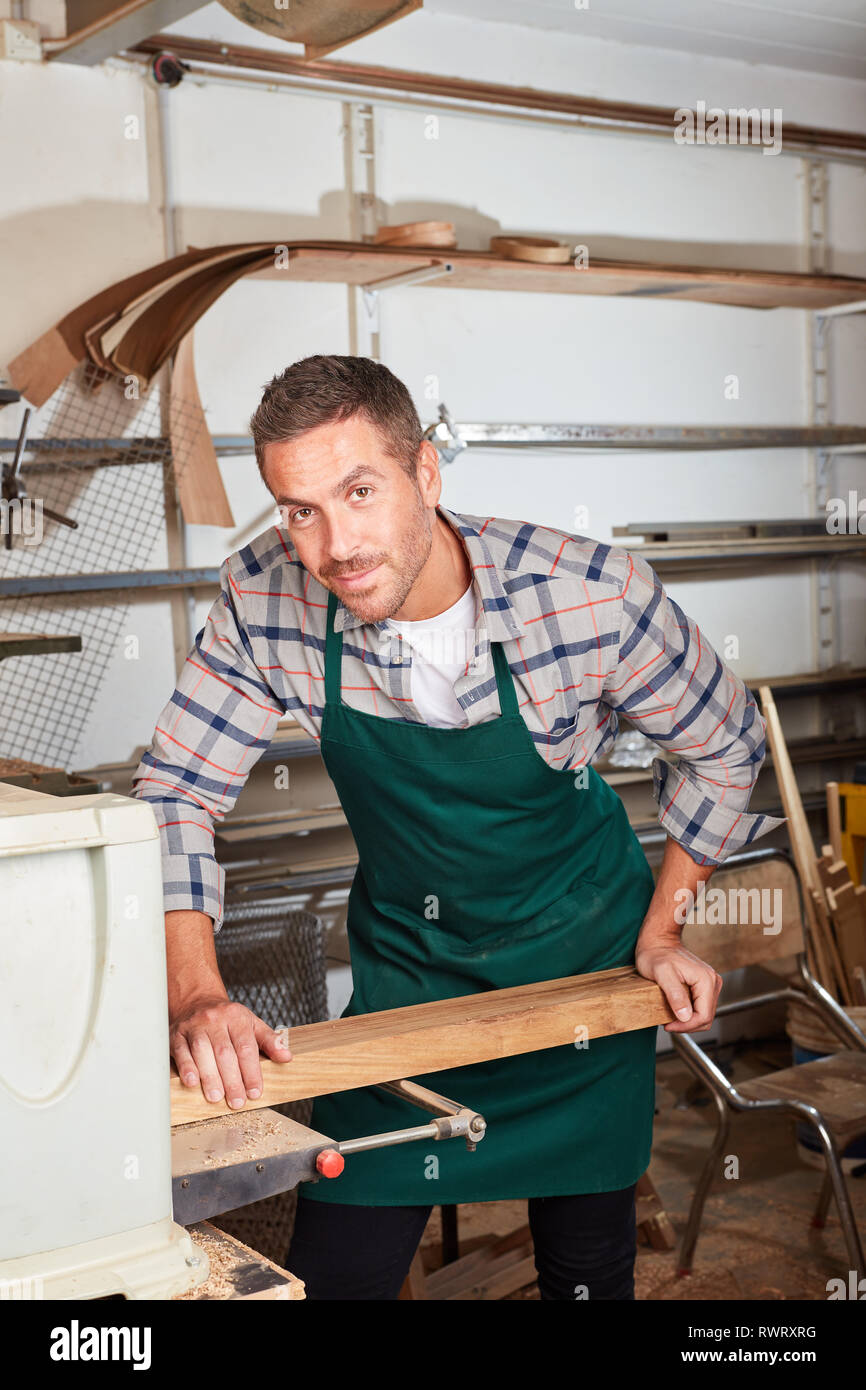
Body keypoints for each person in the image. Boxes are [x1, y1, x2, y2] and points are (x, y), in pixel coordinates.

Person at [131, 354, 784, 1300]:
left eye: (359, 492)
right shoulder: (264, 595)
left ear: (427, 473)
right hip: (410, 975)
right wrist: (195, 994)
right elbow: (176, 791)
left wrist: (664, 927)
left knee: (589, 1270)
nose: (336, 546)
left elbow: (726, 743)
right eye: (300, 509)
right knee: (335, 1273)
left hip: (583, 968)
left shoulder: (590, 593)